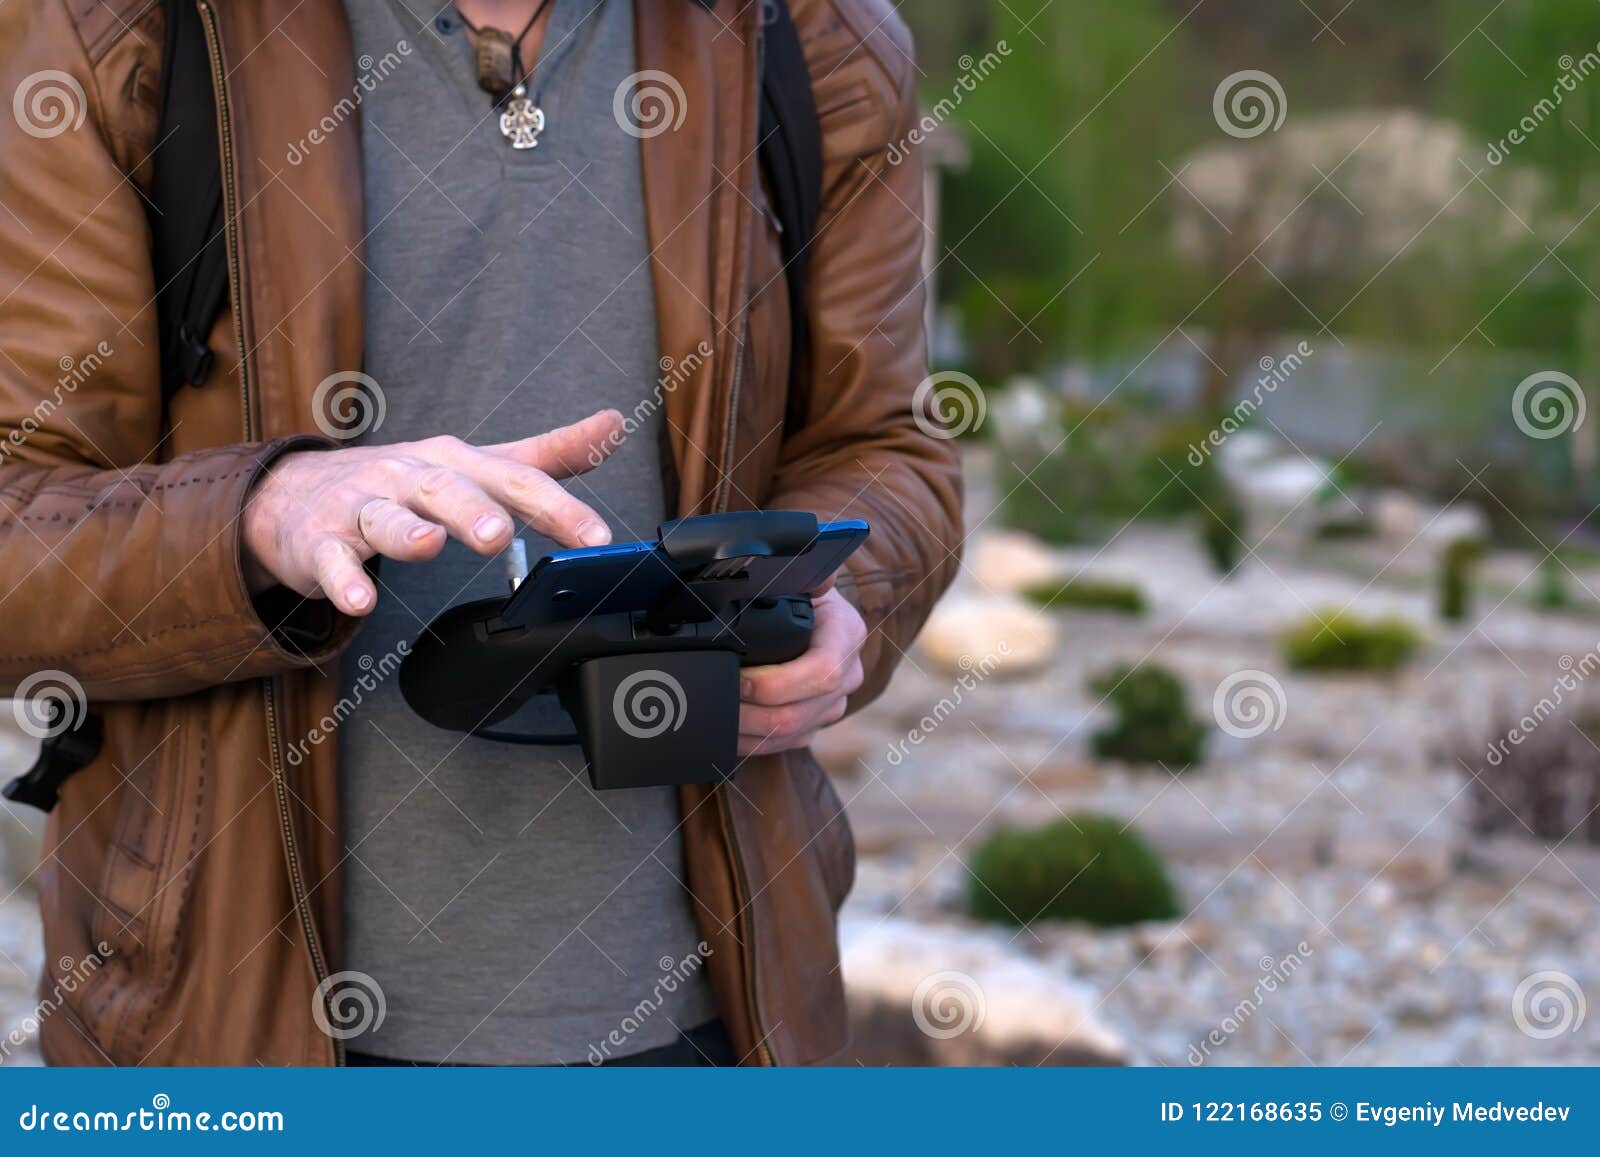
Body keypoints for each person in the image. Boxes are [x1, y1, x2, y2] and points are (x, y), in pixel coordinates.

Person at [0, 0, 961, 1066]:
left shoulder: (813, 34)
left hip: (711, 1022)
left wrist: (838, 597)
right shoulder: (114, 33)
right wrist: (263, 512)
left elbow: (886, 443)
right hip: (228, 1028)